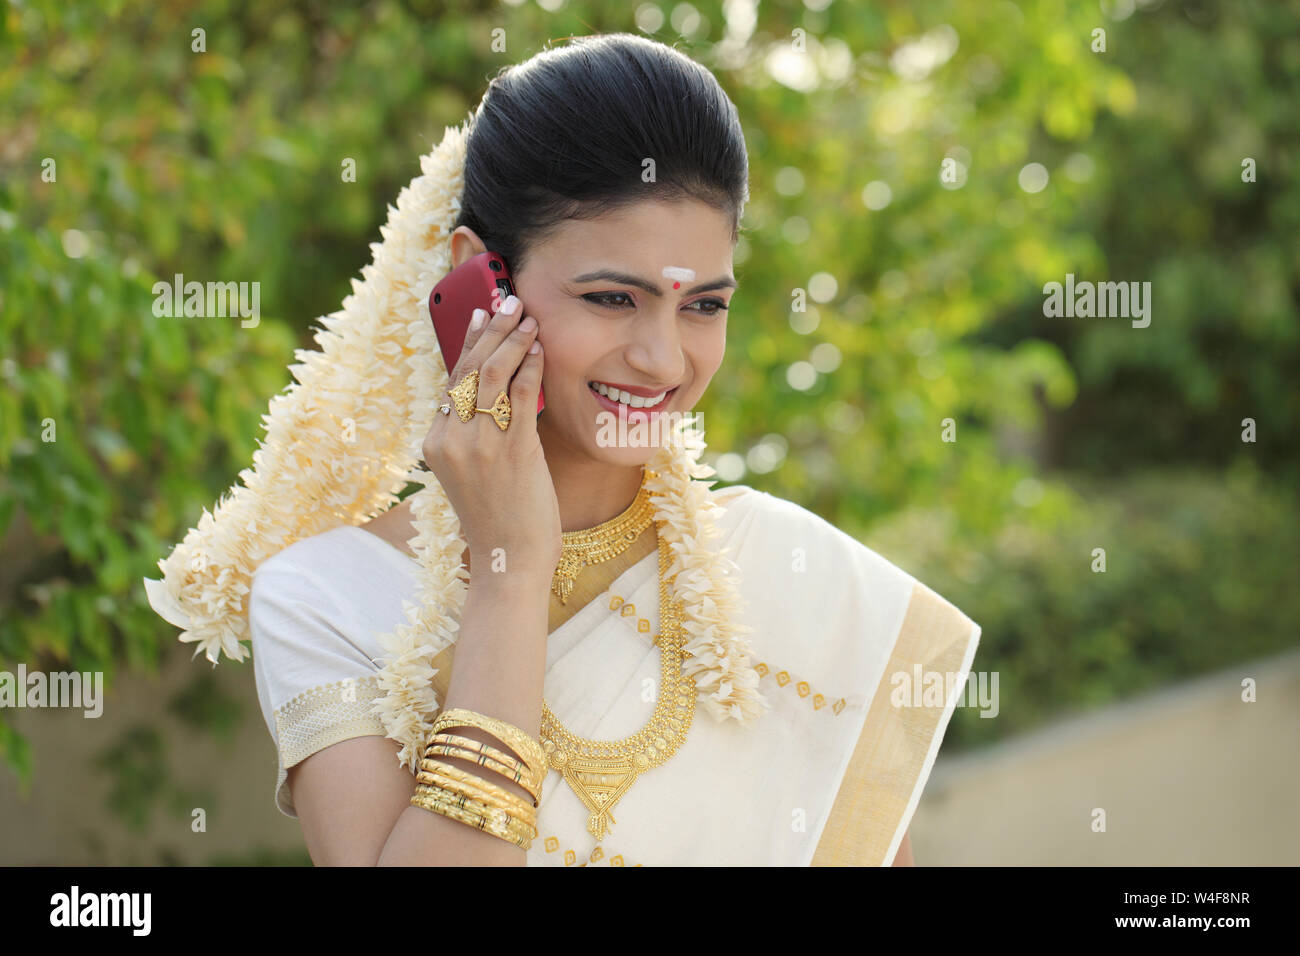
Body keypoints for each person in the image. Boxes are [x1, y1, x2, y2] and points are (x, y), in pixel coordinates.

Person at [144, 33, 980, 867]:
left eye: (704, 307)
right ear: (481, 281)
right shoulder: (330, 596)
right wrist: (508, 573)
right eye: (614, 297)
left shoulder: (795, 580)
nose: (663, 359)